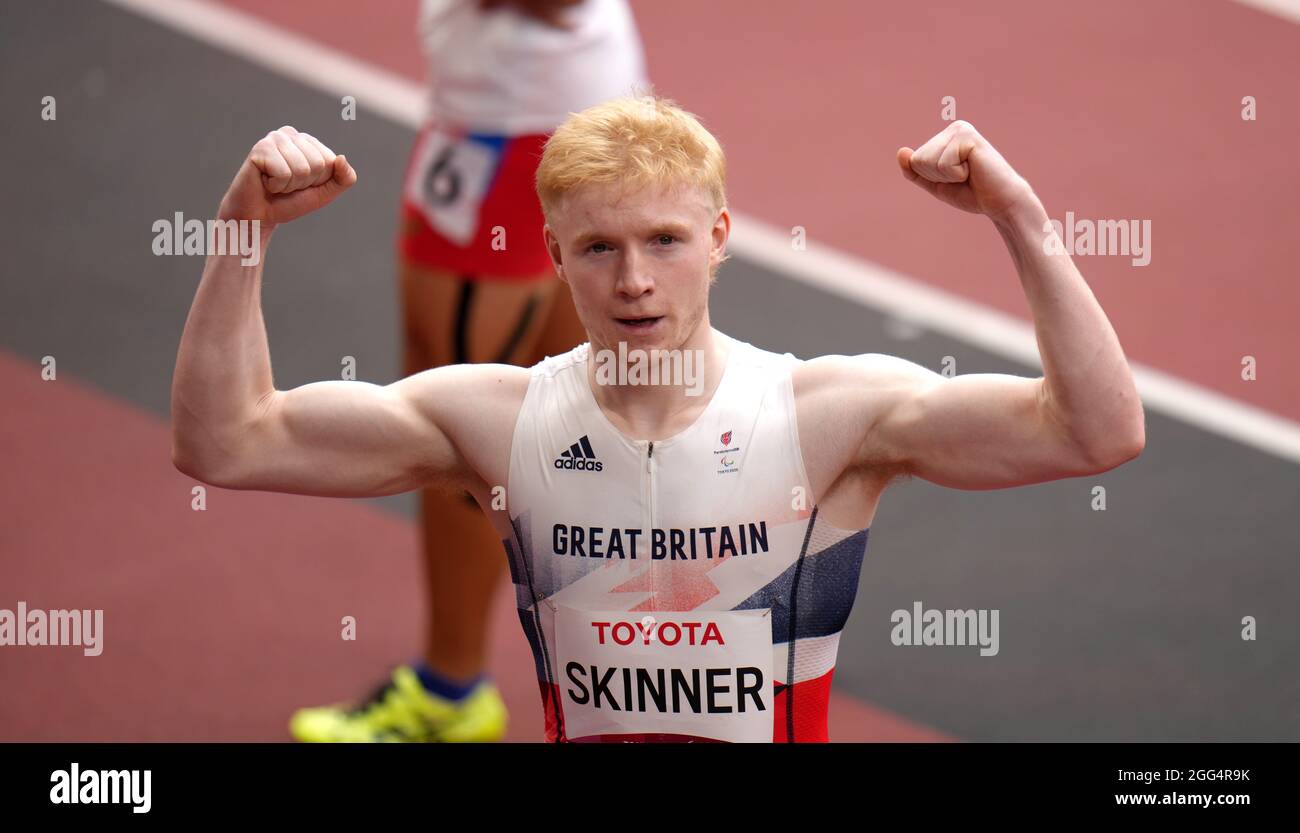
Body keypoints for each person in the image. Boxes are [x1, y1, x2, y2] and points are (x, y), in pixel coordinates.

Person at [171, 96, 1145, 742]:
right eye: (598, 247)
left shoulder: (829, 414)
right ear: (553, 254)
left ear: (718, 238)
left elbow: (1093, 430)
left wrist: (1017, 215)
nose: (634, 280)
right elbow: (228, 439)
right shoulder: (495, 419)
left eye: (664, 240)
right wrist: (240, 227)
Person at [288, 0, 646, 742]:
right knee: (569, 419)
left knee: (460, 434)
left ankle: (450, 693)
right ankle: (630, 698)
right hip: (547, 111)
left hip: (510, 132)